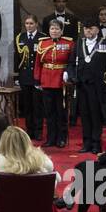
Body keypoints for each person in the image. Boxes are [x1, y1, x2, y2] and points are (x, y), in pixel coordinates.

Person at [67, 20, 106, 153]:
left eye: (91, 28)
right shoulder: (78, 44)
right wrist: (72, 77)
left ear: (97, 30)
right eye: (86, 29)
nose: (88, 31)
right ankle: (86, 142)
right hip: (82, 86)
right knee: (84, 115)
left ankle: (96, 143)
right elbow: (71, 64)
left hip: (97, 87)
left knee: (96, 115)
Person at [32, 19, 74, 147]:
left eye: (57, 29)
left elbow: (71, 62)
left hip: (61, 80)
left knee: (61, 111)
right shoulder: (43, 43)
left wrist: (68, 74)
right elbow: (38, 63)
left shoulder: (69, 43)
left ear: (61, 31)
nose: (54, 31)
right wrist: (37, 79)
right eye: (52, 29)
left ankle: (61, 138)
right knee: (49, 112)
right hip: (46, 80)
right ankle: (50, 138)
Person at [14, 15, 42, 135]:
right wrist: (16, 76)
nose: (29, 26)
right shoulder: (20, 37)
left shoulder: (42, 38)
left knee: (37, 105)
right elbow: (17, 58)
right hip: (24, 75)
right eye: (27, 23)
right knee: (27, 105)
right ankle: (29, 130)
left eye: (31, 23)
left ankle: (38, 130)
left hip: (37, 76)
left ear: (36, 24)